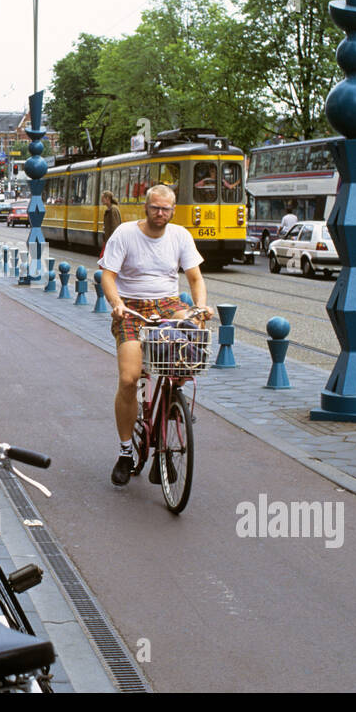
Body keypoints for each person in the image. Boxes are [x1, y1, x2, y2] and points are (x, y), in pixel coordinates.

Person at [98, 184, 207, 487]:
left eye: (166, 209)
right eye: (155, 208)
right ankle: (124, 452)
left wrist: (200, 307)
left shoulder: (180, 236)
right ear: (145, 207)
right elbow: (108, 276)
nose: (160, 214)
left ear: (174, 210)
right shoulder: (125, 234)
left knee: (193, 337)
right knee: (130, 379)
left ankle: (170, 411)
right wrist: (117, 303)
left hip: (169, 305)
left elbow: (195, 277)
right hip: (131, 308)